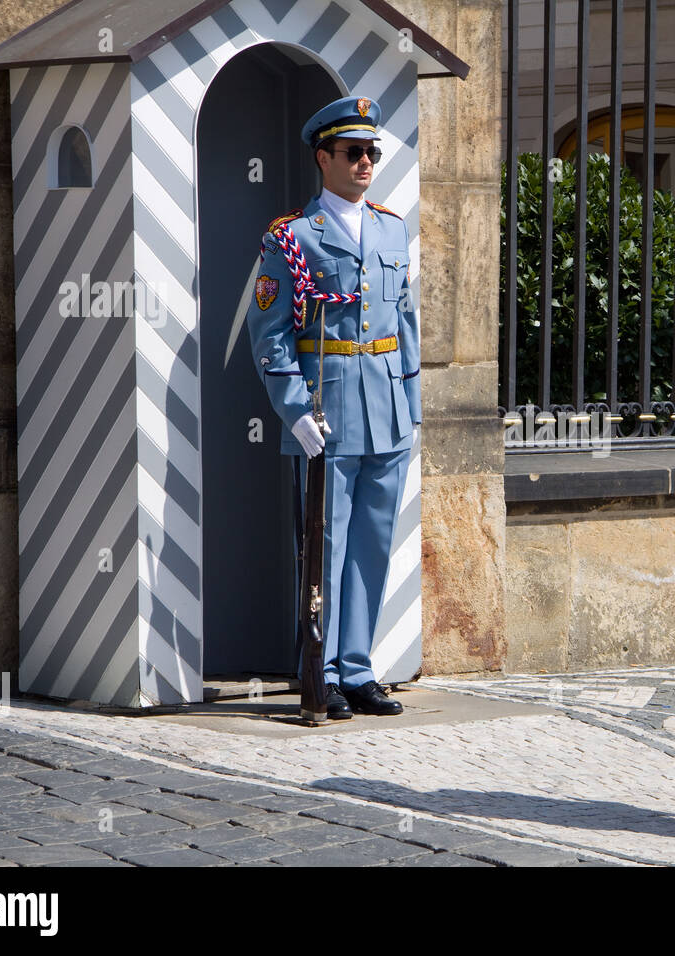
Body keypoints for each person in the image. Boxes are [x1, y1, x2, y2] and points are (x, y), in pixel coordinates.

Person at [244, 95, 420, 718]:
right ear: (323, 157)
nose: (366, 161)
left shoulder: (393, 227)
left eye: (372, 151)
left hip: (386, 409)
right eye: (353, 152)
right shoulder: (291, 237)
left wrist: (412, 406)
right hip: (327, 412)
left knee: (373, 544)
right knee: (328, 546)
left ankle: (359, 668)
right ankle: (320, 675)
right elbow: (268, 333)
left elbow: (405, 322)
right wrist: (292, 409)